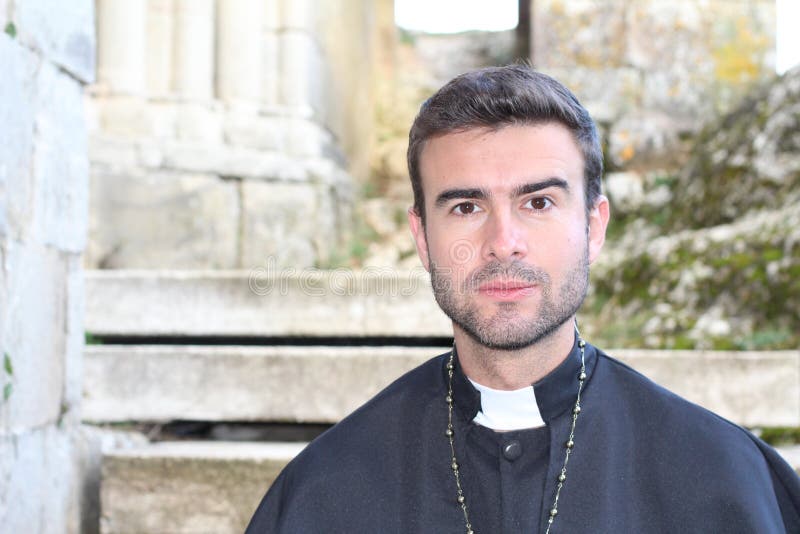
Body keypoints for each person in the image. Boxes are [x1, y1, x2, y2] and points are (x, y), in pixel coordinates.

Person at [246, 64, 800, 533]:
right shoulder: (323, 491)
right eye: (465, 207)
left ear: (594, 225)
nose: (502, 243)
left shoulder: (723, 480)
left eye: (537, 203)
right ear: (421, 237)